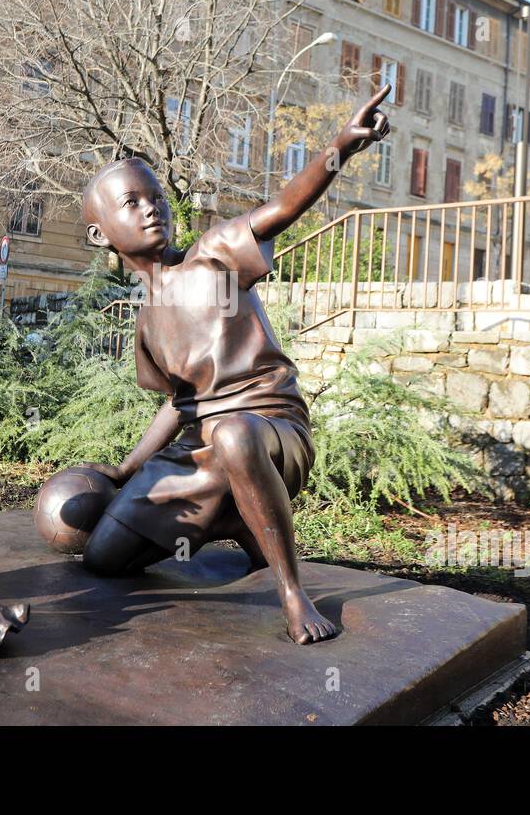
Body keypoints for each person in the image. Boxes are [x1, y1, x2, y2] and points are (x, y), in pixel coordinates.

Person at [75, 85, 391, 644]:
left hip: (272, 433)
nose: (152, 207)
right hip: (206, 452)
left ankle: (292, 593)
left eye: (156, 197)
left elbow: (285, 207)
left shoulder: (215, 256)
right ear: (100, 233)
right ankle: (240, 523)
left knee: (234, 436)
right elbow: (179, 407)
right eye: (132, 202)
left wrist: (340, 146)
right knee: (103, 558)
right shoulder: (146, 321)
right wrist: (124, 472)